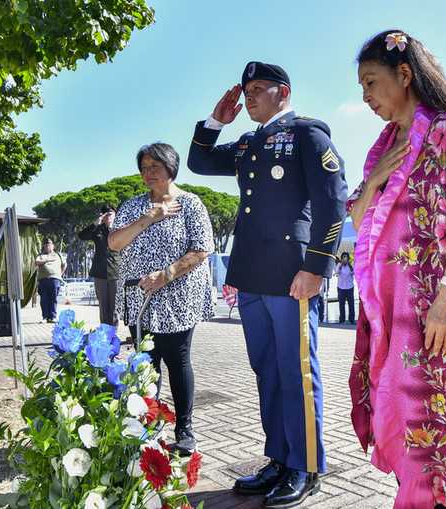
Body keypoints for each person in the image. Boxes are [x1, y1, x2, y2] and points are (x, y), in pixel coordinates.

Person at [345, 30, 446, 508]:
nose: (365, 96)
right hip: (390, 315)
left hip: (435, 307)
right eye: (361, 87)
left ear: (404, 74)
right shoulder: (383, 147)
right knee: (406, 417)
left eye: (371, 82)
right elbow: (357, 219)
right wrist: (375, 180)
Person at [187, 61, 347, 505]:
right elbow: (199, 162)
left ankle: (306, 466)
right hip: (252, 272)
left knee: (297, 372)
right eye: (246, 90)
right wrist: (216, 121)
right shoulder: (248, 142)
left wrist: (316, 267)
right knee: (268, 371)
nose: (250, 96)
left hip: (292, 273)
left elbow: (332, 202)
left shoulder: (306, 134)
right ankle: (279, 458)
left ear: (284, 92)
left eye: (259, 88)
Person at [108, 142, 214, 455]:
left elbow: (201, 249)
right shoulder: (133, 206)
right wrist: (150, 217)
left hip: (178, 298)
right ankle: (148, 427)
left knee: (177, 360)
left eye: (155, 166)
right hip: (137, 298)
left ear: (171, 167)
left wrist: (165, 275)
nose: (148, 173)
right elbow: (114, 242)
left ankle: (184, 429)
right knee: (145, 363)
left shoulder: (191, 204)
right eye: (144, 168)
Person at [78, 205, 121, 325]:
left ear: (115, 215)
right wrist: (95, 223)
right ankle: (104, 331)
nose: (108, 217)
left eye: (110, 214)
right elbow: (82, 236)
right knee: (103, 306)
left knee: (114, 306)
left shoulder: (120, 228)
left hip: (116, 271)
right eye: (105, 214)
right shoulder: (98, 229)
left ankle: (113, 331)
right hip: (100, 272)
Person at [35, 237, 64, 323]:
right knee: (44, 299)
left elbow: (64, 264)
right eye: (46, 245)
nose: (48, 246)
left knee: (53, 299)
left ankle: (53, 317)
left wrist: (60, 274)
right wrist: (47, 259)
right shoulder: (40, 255)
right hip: (43, 280)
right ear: (44, 247)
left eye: (49, 245)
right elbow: (37, 262)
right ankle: (45, 317)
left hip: (55, 279)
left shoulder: (58, 255)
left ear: (53, 246)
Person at [335, 252, 356, 324]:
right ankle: (342, 320)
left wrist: (350, 266)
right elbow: (336, 273)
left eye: (346, 257)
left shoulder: (351, 265)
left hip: (349, 287)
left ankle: (351, 320)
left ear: (348, 258)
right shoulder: (339, 265)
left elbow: (354, 272)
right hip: (341, 288)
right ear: (341, 258)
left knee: (351, 304)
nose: (345, 259)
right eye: (343, 257)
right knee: (341, 304)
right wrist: (340, 266)